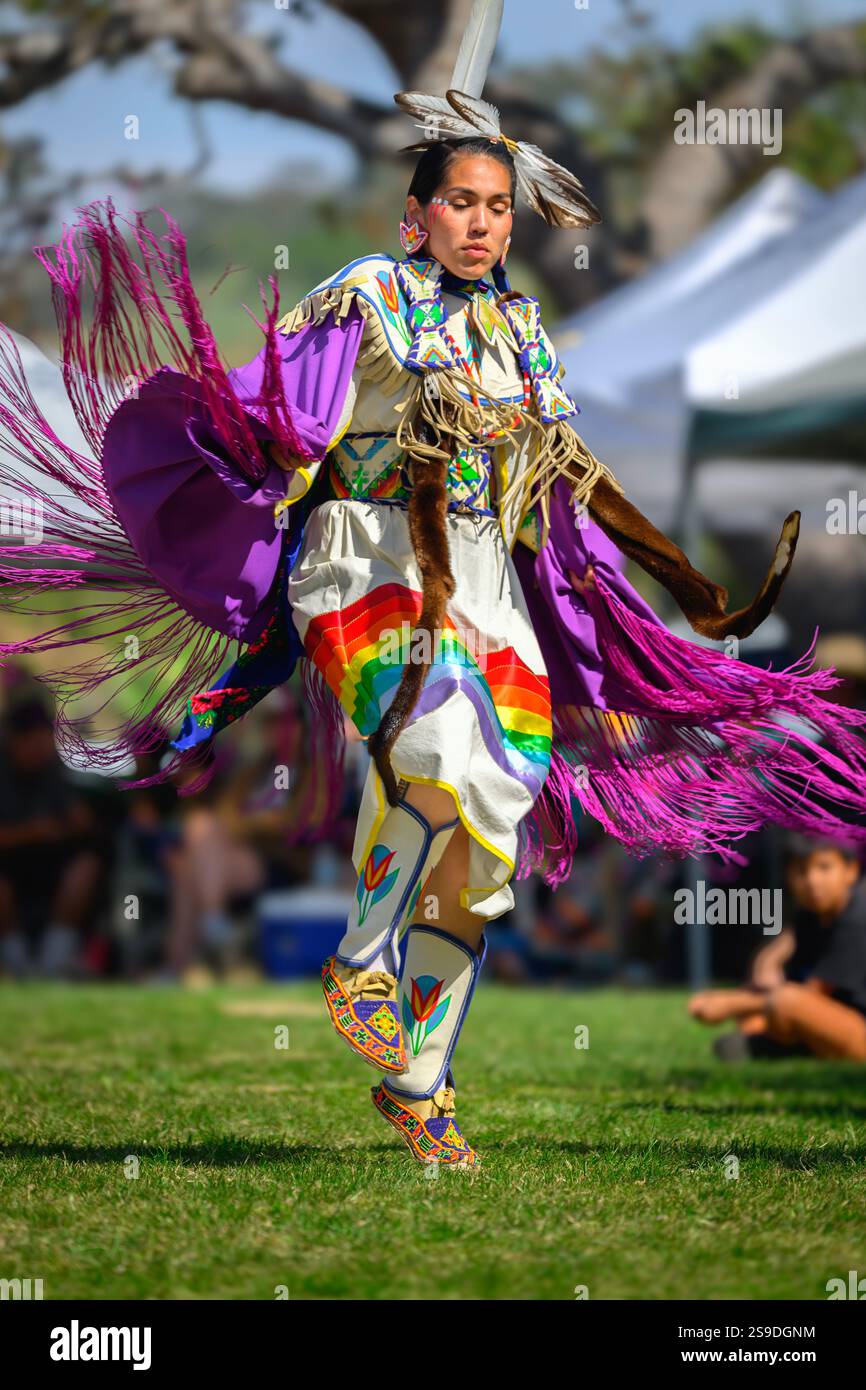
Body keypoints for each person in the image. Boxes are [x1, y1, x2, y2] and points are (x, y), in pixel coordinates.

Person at [3, 12, 866, 1163]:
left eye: (498, 206)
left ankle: (420, 1083)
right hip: (360, 560)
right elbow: (285, 412)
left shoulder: (519, 332)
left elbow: (570, 483)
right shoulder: (369, 294)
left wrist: (675, 592)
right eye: (460, 201)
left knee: (495, 812)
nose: (480, 222)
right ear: (416, 215)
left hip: (477, 577)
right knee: (436, 748)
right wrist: (276, 471)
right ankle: (361, 951)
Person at [688, 836, 866, 1062]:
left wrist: (729, 1003)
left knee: (785, 1001)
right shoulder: (809, 918)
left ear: (851, 871)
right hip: (831, 1017)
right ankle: (785, 1047)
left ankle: (783, 1048)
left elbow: (812, 994)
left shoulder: (858, 917)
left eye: (824, 868)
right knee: (761, 1006)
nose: (812, 880)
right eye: (802, 871)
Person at [0, 699, 102, 978]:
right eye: (32, 741)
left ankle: (52, 962)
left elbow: (78, 819)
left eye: (44, 740)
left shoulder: (51, 770)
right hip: (7, 865)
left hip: (48, 863)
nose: (38, 748)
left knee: (86, 866)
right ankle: (15, 965)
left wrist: (75, 822)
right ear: (14, 740)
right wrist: (30, 832)